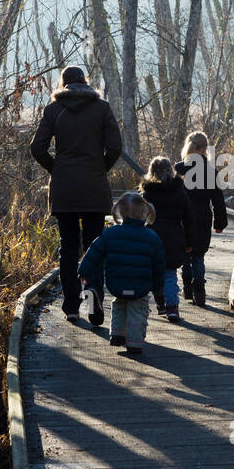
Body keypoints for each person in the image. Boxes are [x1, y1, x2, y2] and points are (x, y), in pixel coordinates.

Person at [30, 65, 122, 323]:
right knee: (95, 245)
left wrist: (57, 170)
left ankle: (71, 306)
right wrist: (100, 168)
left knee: (68, 247)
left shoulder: (53, 109)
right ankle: (93, 297)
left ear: (63, 84)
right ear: (85, 82)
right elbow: (115, 146)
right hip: (93, 186)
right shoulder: (102, 108)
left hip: (64, 189)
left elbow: (37, 148)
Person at [78, 193, 165, 358]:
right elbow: (159, 265)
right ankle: (134, 344)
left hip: (116, 283)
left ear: (121, 213)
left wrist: (84, 272)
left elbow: (93, 252)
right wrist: (158, 287)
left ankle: (117, 335)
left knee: (119, 305)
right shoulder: (152, 237)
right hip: (140, 285)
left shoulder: (110, 234)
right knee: (137, 312)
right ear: (144, 213)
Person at [174, 131, 228, 307]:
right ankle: (199, 291)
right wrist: (220, 223)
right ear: (205, 149)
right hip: (203, 218)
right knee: (198, 256)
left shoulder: (178, 172)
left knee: (185, 255)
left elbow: (171, 197)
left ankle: (187, 289)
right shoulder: (211, 172)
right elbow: (218, 200)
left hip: (182, 219)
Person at [139, 156, 195, 322]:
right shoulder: (180, 192)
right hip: (174, 237)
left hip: (151, 238)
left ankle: (161, 304)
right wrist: (189, 242)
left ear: (151, 171)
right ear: (171, 170)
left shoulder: (147, 193)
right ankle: (172, 308)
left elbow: (139, 217)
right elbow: (189, 219)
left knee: (155, 274)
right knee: (170, 275)